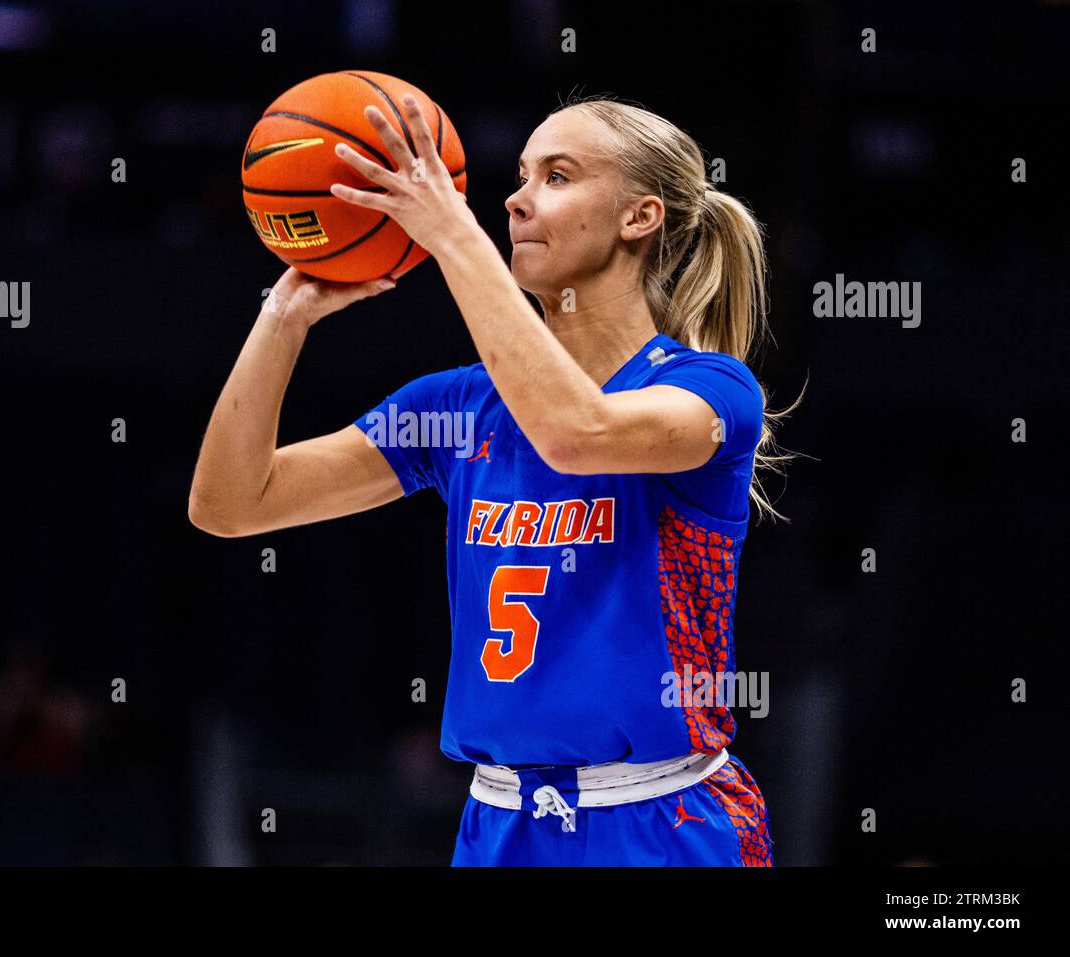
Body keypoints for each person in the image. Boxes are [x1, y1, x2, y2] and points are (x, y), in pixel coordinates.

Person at [190, 92, 797, 865]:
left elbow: (577, 432)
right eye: (519, 175)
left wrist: (450, 235)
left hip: (660, 818)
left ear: (639, 217)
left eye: (557, 175)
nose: (514, 198)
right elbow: (230, 503)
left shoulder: (713, 392)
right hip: (499, 822)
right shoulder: (457, 407)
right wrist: (283, 316)